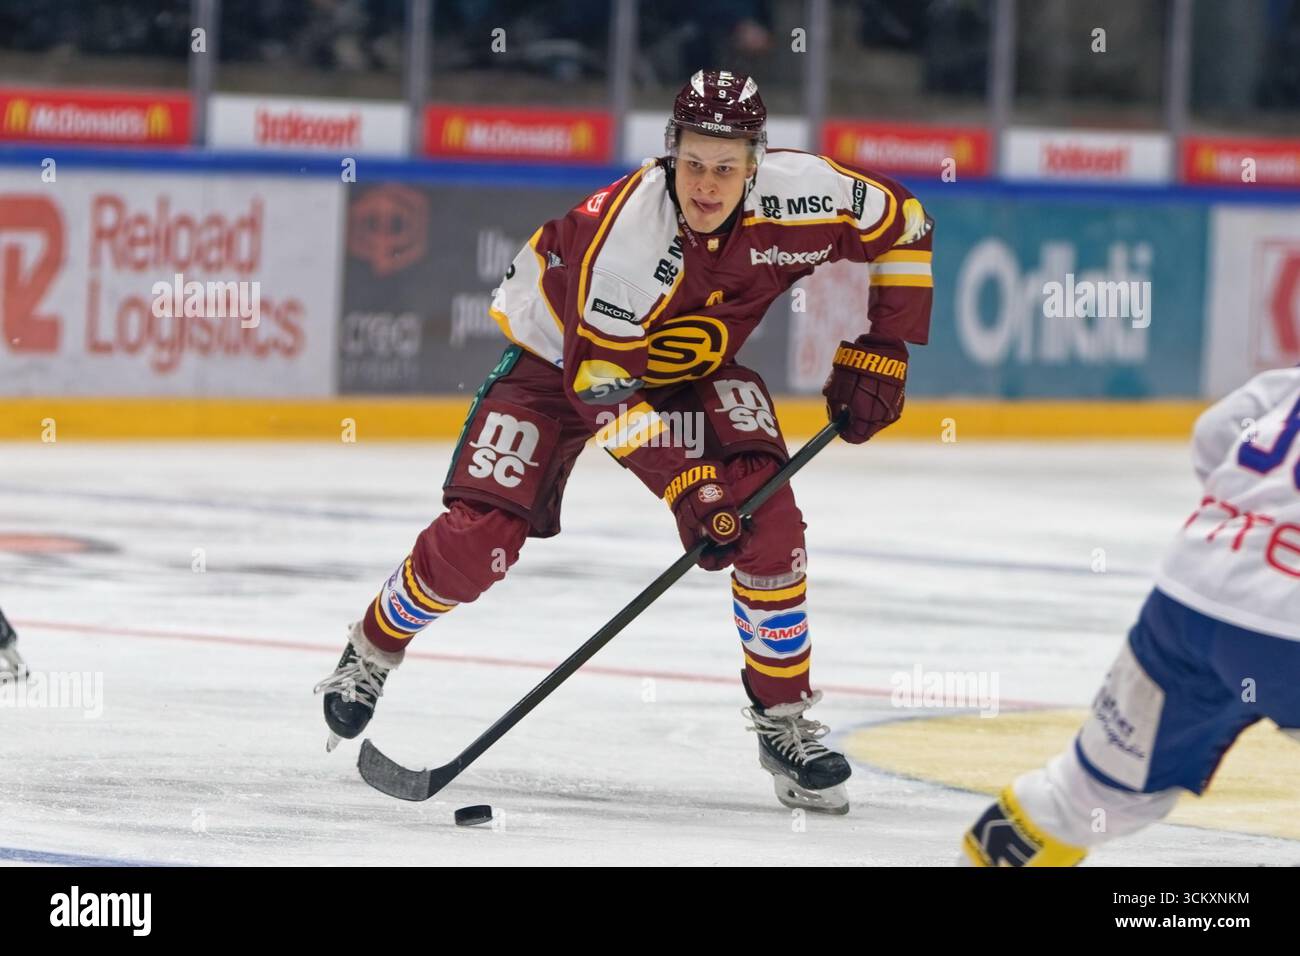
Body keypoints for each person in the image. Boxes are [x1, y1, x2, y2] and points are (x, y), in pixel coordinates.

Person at [316, 69, 933, 813]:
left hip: (690, 369)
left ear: (756, 163)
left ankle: (783, 720)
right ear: (672, 154)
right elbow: (602, 389)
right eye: (695, 164)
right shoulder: (627, 243)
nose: (709, 185)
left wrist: (887, 348)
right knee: (483, 539)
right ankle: (374, 646)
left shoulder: (806, 193)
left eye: (727, 167)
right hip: (561, 367)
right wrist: (688, 486)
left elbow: (905, 221)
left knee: (770, 527)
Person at [963, 366, 1300, 865]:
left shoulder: (1288, 382)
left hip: (1190, 594)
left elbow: (1215, 431)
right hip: (1287, 623)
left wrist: (1250, 526)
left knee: (1087, 796)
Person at [0, 606, 26, 680]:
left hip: (6, 640)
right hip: (7, 638)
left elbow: (3, 632)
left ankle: (17, 667)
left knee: (6, 647)